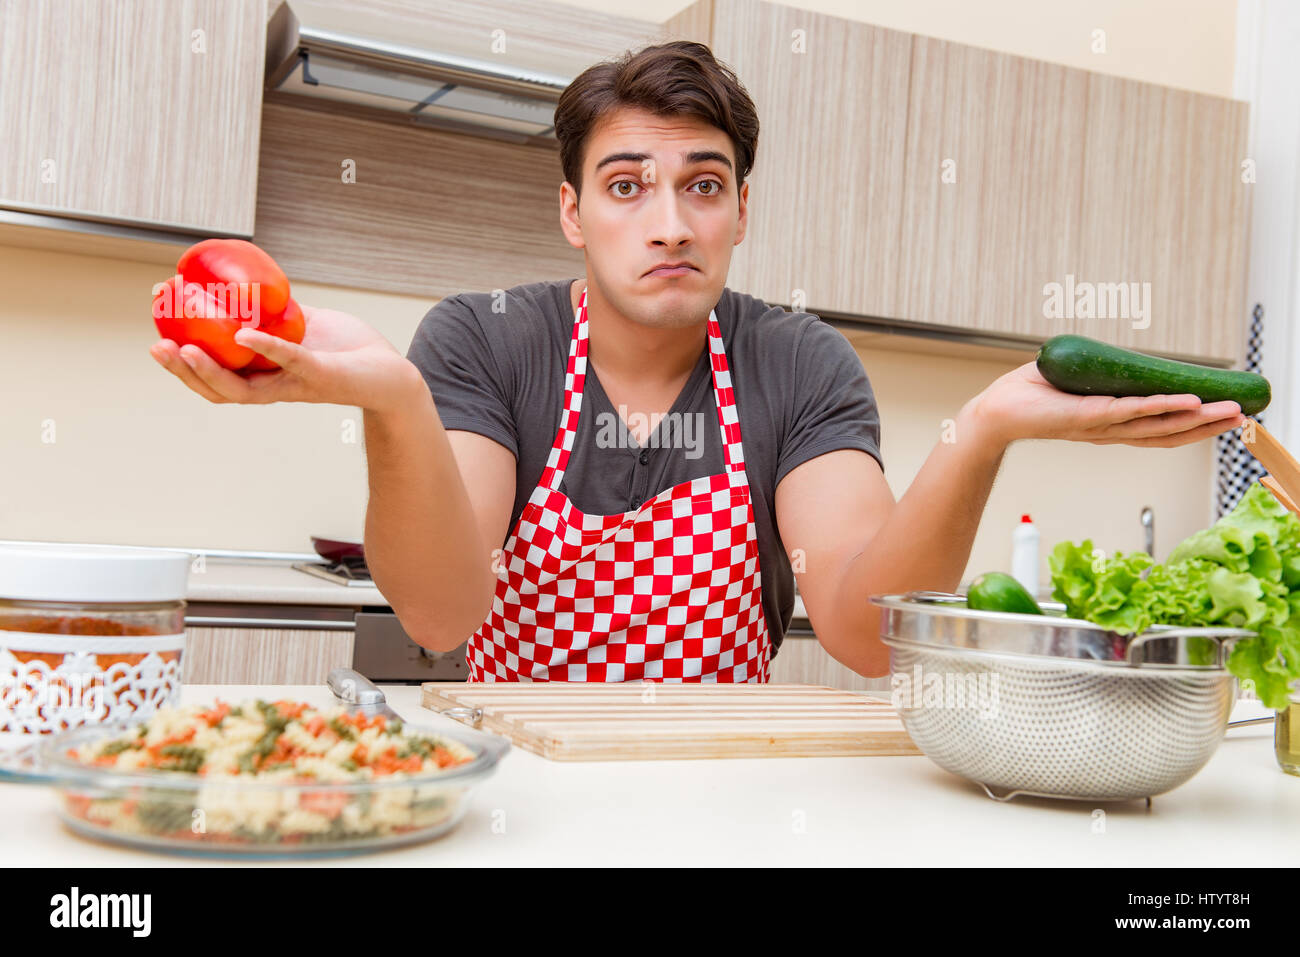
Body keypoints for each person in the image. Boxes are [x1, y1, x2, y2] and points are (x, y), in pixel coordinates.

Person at [150, 41, 1245, 682]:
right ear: (573, 213)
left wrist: (983, 430)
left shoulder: (799, 362)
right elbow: (440, 611)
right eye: (626, 186)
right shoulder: (486, 338)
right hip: (514, 788)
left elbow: (866, 636)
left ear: (739, 212)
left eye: (703, 185)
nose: (669, 222)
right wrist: (390, 400)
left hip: (725, 787)